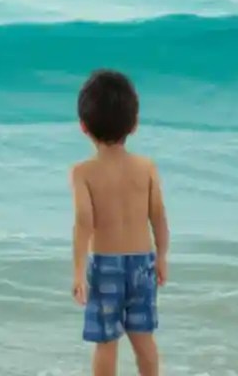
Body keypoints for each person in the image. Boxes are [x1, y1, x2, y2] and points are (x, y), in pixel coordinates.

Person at [70, 69, 169, 376]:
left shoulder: (83, 172)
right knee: (145, 341)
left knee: (106, 343)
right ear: (134, 124)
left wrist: (77, 272)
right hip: (143, 264)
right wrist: (162, 257)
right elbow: (159, 217)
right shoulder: (147, 167)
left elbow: (84, 222)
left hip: (106, 268)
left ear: (83, 127)